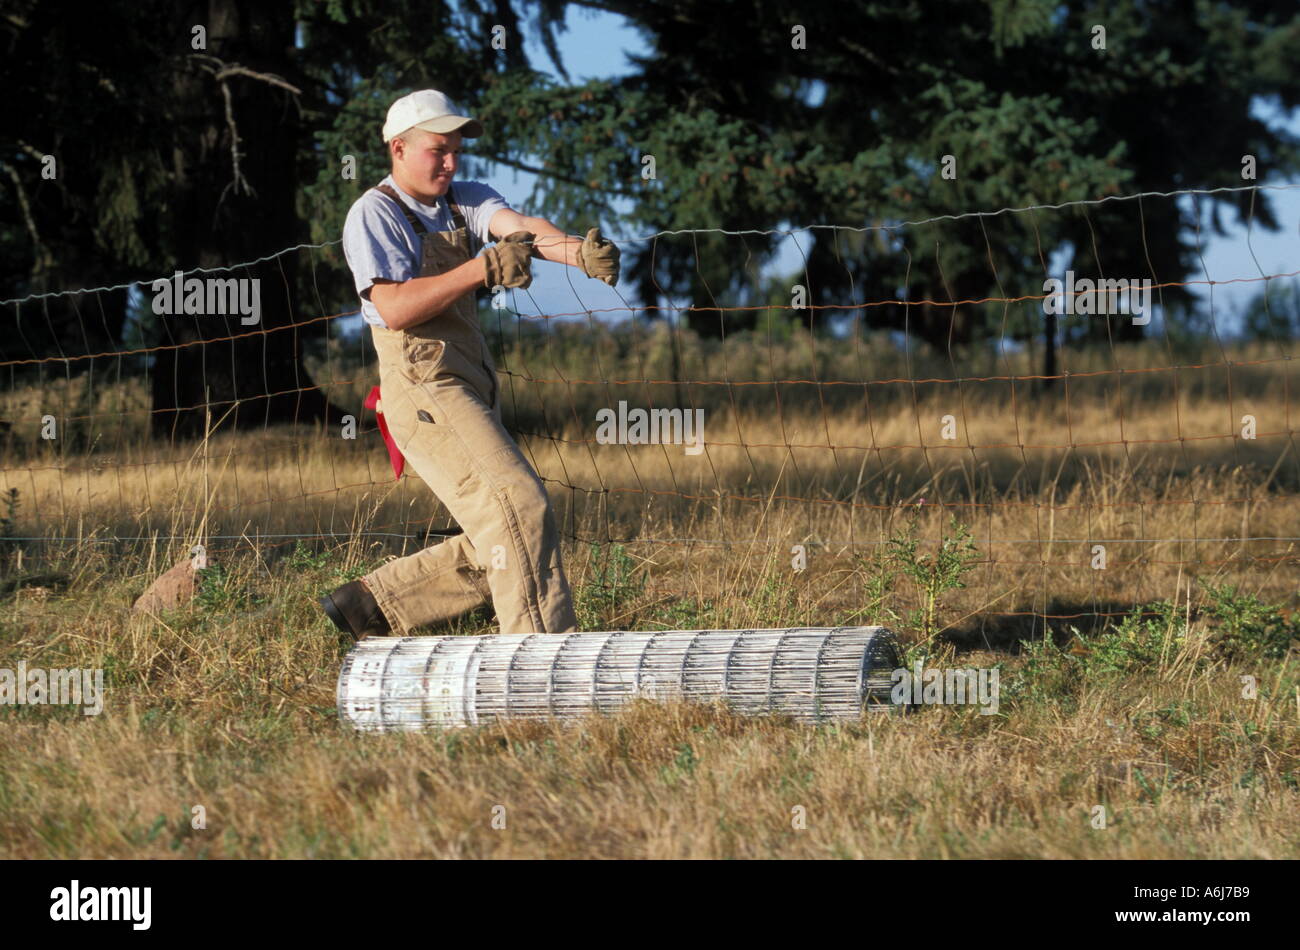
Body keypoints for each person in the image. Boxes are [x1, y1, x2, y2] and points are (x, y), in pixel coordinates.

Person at [320, 88, 619, 640]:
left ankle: (372, 606)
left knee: (503, 526)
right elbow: (394, 306)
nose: (452, 162)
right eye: (439, 150)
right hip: (423, 386)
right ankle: (539, 665)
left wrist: (576, 252)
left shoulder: (464, 199)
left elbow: (520, 226)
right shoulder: (374, 213)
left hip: (471, 380)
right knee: (519, 508)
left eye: (457, 149)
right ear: (399, 148)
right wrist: (478, 271)